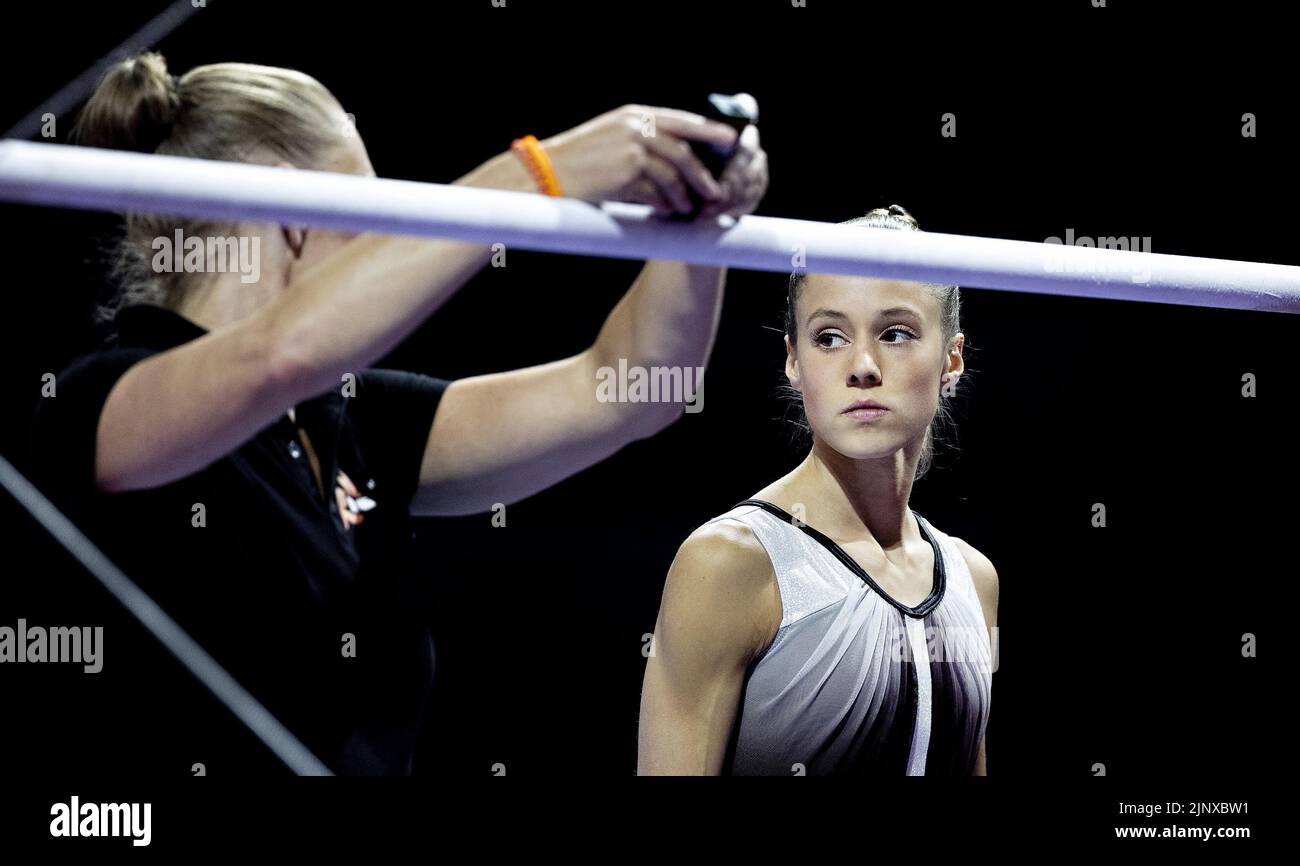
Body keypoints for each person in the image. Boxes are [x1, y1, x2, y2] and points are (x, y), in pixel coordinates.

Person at [27, 52, 767, 775]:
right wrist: (542, 174)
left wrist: (698, 225)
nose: (391, 242)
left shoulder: (353, 420)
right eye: (373, 208)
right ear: (287, 212)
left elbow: (641, 387)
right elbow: (279, 354)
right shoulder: (98, 400)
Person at [637, 206, 997, 776]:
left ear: (952, 358)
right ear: (793, 361)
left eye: (895, 333)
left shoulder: (975, 580)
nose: (861, 366)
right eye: (828, 337)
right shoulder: (730, 563)